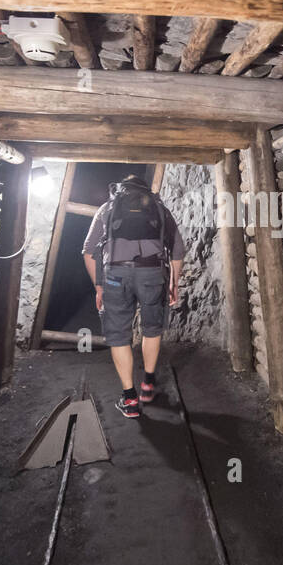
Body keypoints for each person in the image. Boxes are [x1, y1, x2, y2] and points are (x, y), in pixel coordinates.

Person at [82, 175, 184, 417]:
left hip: (115, 274)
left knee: (118, 335)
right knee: (152, 328)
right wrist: (174, 284)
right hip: (152, 273)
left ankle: (129, 400)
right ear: (145, 191)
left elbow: (88, 251)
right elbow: (177, 250)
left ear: (119, 189)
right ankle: (148, 384)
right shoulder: (160, 209)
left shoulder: (107, 208)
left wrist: (99, 286)